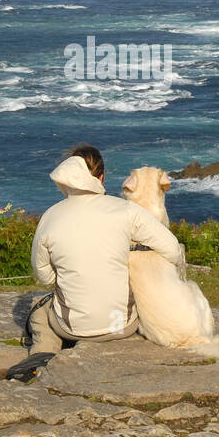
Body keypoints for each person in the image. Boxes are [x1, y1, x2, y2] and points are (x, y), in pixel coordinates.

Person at [25, 144, 186, 355]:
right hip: (122, 326)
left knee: (38, 308)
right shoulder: (126, 210)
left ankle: (42, 354)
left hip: (72, 328)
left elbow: (45, 277)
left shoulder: (50, 216)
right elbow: (173, 251)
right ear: (102, 177)